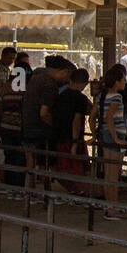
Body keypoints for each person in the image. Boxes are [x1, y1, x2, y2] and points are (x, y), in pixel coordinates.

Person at [22, 55, 72, 186]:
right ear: (64, 71)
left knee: (30, 159)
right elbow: (44, 112)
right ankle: (46, 192)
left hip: (27, 124)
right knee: (45, 162)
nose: (67, 81)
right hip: (41, 129)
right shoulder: (50, 85)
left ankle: (30, 191)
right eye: (68, 77)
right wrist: (54, 126)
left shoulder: (35, 79)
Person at [53, 68, 93, 196]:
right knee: (79, 168)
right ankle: (83, 192)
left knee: (62, 167)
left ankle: (75, 190)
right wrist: (75, 141)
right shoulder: (81, 98)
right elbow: (77, 120)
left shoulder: (59, 95)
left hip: (59, 135)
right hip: (73, 138)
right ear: (85, 83)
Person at [97, 64, 127, 219]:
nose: (125, 82)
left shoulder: (101, 97)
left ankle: (109, 206)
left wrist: (97, 134)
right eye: (123, 79)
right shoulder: (117, 97)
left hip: (105, 135)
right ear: (117, 82)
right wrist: (116, 138)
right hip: (115, 136)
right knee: (114, 174)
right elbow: (109, 117)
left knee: (108, 174)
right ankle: (113, 208)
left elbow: (92, 117)